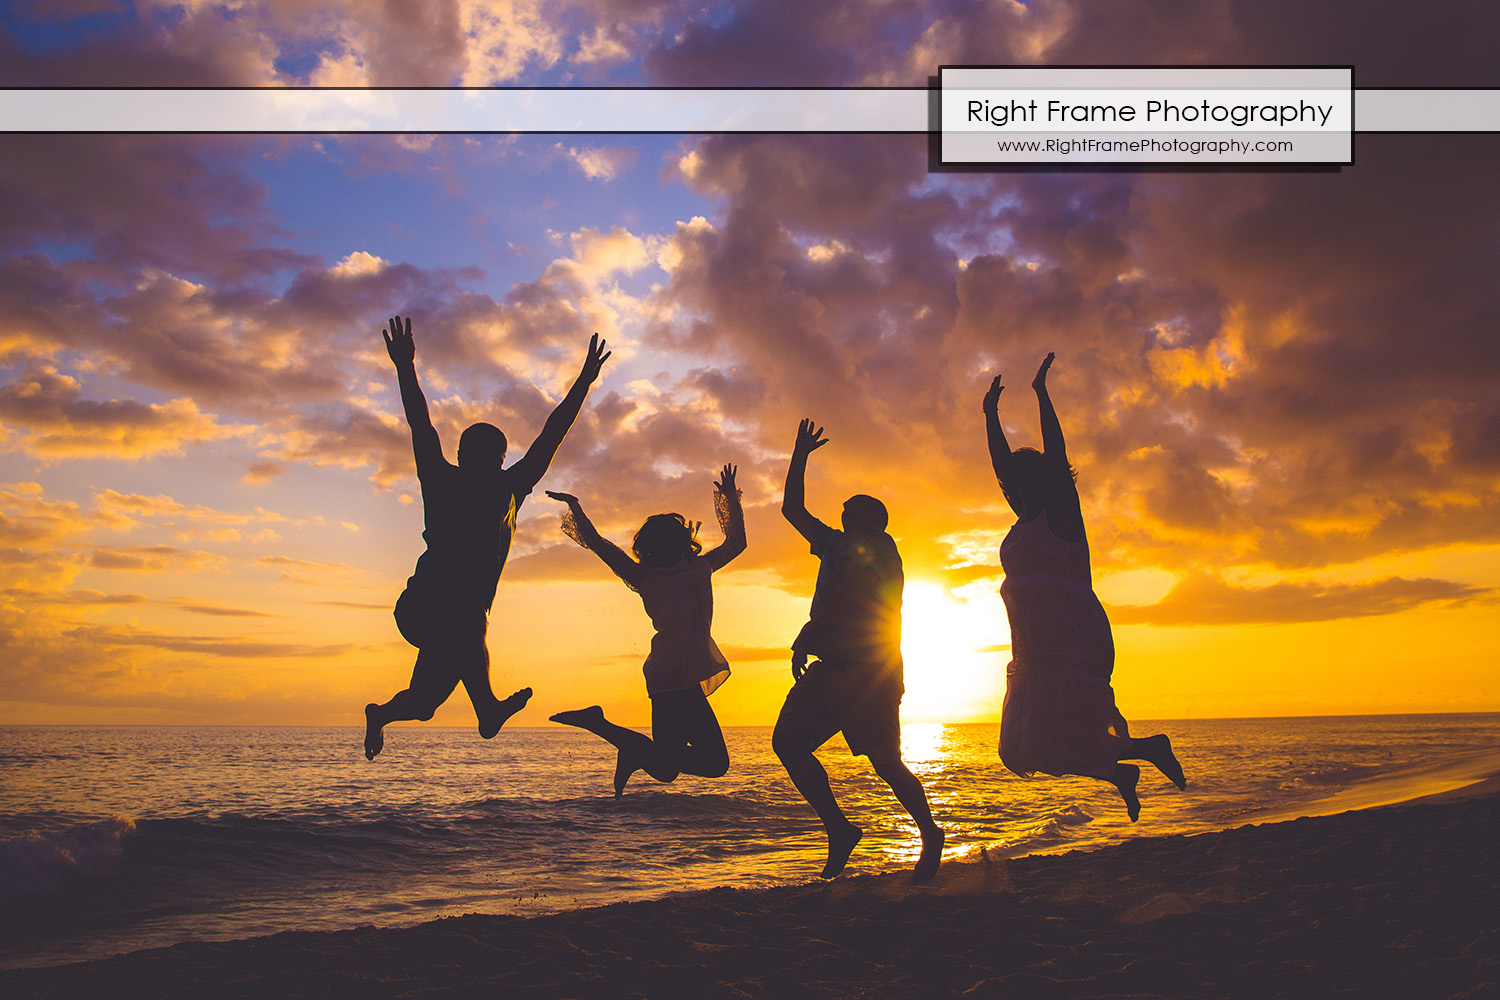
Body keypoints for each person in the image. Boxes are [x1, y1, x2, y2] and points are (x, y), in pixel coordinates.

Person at [364, 316, 610, 760]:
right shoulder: (456, 480)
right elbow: (422, 425)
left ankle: (380, 715)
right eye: (475, 454)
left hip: (444, 618)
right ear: (468, 456)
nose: (482, 461)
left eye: (489, 455)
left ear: (498, 458)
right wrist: (404, 368)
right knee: (470, 617)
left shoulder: (489, 484)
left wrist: (584, 382)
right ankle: (488, 709)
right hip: (427, 607)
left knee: (423, 706)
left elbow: (549, 435)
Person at [985, 352, 1186, 820]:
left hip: (1070, 633)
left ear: (1040, 483)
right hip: (1033, 642)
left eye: (1022, 481)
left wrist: (1040, 393)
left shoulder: (1062, 515)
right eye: (1011, 484)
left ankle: (1139, 756)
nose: (1013, 488)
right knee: (1023, 749)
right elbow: (999, 467)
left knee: (1062, 732)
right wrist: (990, 416)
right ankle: (1129, 764)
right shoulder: (1023, 521)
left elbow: (1056, 458)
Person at [772, 419, 944, 881]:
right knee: (788, 743)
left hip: (870, 671)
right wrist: (801, 454)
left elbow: (857, 588)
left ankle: (930, 833)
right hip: (832, 668)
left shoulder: (878, 544)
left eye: (849, 505)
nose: (842, 506)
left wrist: (808, 633)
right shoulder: (833, 542)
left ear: (865, 515)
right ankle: (840, 829)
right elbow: (792, 508)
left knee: (886, 762)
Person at [547, 464, 745, 796]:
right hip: (669, 674)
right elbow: (597, 544)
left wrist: (729, 498)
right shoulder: (647, 576)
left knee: (690, 765)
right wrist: (576, 509)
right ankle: (603, 726)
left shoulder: (696, 567)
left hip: (682, 672)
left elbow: (736, 543)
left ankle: (621, 741)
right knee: (686, 766)